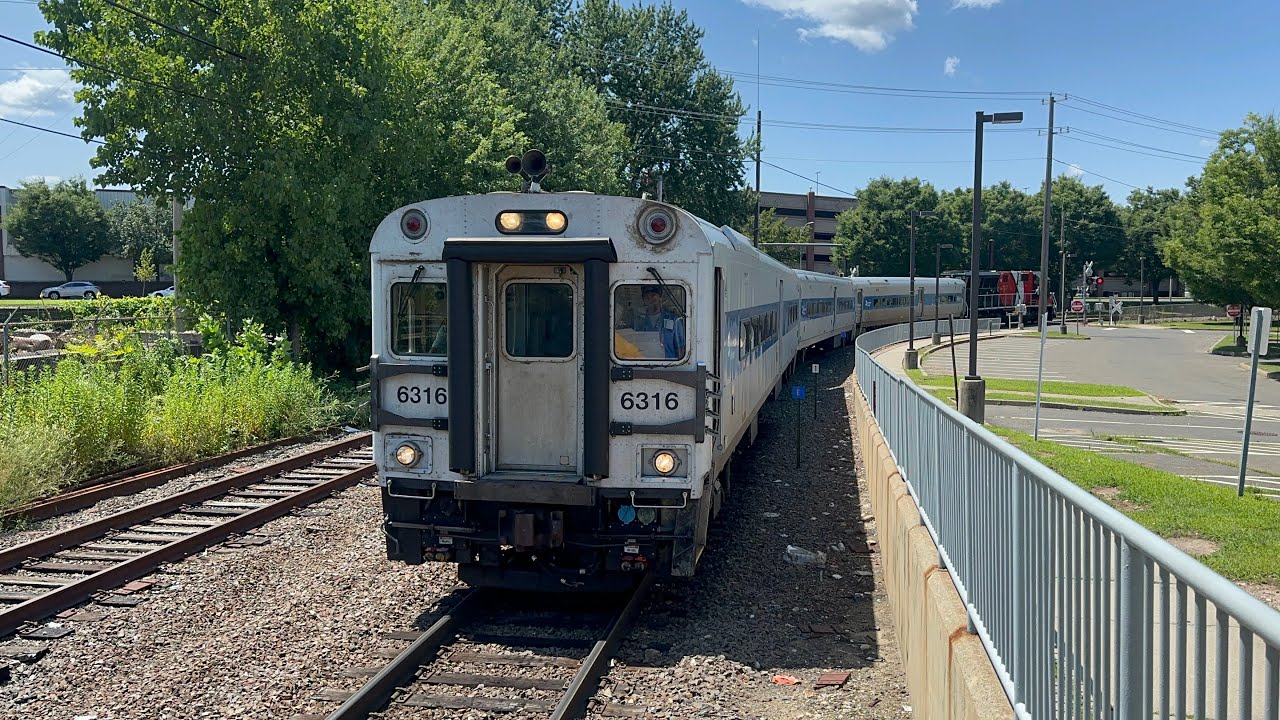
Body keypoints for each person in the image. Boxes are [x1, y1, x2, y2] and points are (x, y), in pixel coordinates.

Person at [632, 285, 685, 359]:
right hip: (643, 364)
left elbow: (681, 348)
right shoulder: (637, 321)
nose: (650, 299)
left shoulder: (674, 320)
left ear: (660, 298)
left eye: (653, 295)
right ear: (643, 300)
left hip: (669, 366)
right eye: (647, 296)